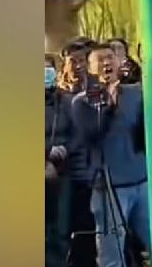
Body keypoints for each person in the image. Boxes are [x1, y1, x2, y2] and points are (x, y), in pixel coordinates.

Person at [71, 43, 151, 267]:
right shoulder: (82, 102)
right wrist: (109, 103)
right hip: (109, 187)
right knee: (111, 251)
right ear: (90, 67)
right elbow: (92, 133)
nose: (107, 63)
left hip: (141, 181)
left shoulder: (136, 93)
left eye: (110, 57)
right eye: (100, 60)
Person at [56, 40, 97, 267]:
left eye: (82, 60)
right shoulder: (58, 95)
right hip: (67, 171)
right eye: (74, 61)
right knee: (67, 223)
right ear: (65, 65)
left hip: (93, 169)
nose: (79, 65)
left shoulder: (96, 90)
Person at [46, 54, 76, 267]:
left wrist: (66, 149)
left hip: (65, 171)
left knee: (62, 227)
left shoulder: (66, 101)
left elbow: (80, 132)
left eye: (48, 69)